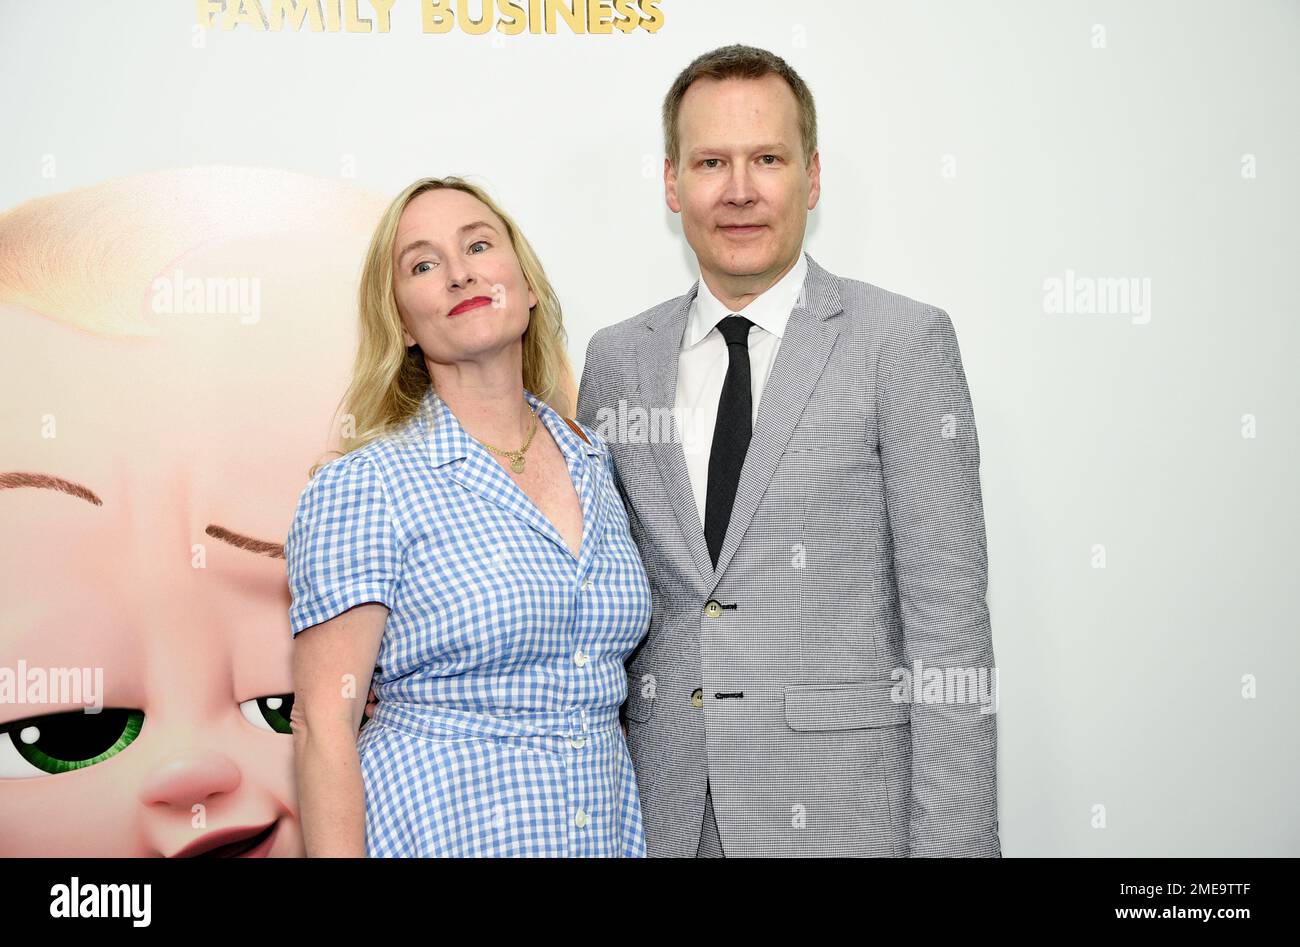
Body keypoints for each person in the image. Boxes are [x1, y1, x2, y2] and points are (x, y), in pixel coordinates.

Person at [576, 44, 1001, 857]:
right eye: (711, 162)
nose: (739, 190)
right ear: (672, 183)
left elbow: (950, 635)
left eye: (766, 158)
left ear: (811, 174)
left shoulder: (900, 343)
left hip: (845, 816)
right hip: (659, 817)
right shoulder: (616, 359)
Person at [286, 177, 651, 857]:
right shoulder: (365, 485)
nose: (460, 273)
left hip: (599, 833)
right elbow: (322, 724)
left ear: (528, 284)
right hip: (438, 831)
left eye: (478, 245)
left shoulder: (595, 458)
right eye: (424, 264)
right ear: (400, 321)